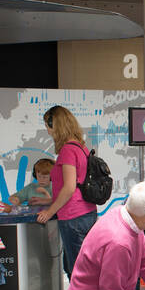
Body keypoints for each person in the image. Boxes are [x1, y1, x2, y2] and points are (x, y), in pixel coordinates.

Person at [37, 105, 99, 277]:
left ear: (56, 126)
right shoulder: (81, 148)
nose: (48, 132)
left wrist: (49, 212)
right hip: (87, 212)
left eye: (48, 126)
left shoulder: (67, 151)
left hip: (73, 216)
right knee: (85, 267)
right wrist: (47, 202)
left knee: (76, 272)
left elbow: (69, 187)